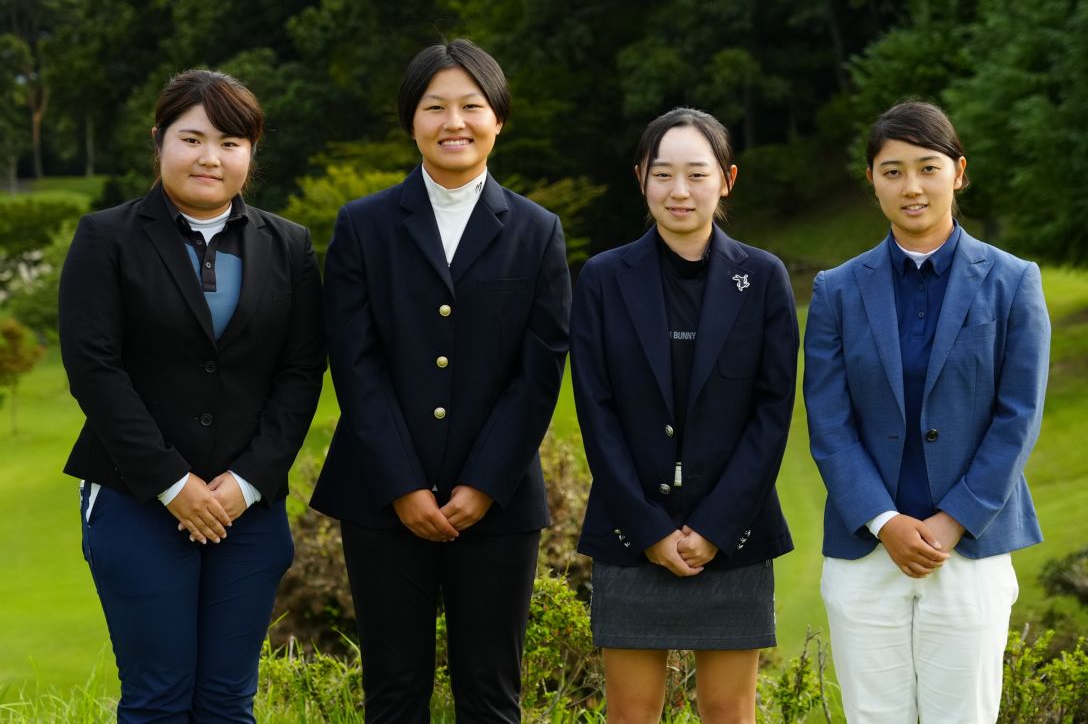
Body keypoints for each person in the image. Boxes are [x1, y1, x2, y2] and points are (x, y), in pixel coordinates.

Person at [309, 38, 571, 723]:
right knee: (394, 694)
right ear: (412, 120)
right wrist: (402, 486)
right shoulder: (362, 226)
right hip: (381, 499)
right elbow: (354, 363)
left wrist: (484, 485)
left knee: (491, 696)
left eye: (471, 106)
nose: (454, 122)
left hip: (499, 502)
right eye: (436, 107)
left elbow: (539, 370)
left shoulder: (538, 232)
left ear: (498, 119)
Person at [58, 69, 325, 723]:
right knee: (158, 701)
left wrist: (250, 481)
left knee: (228, 702)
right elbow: (95, 370)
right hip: (134, 499)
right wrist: (174, 483)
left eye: (231, 142)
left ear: (251, 154)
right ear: (159, 141)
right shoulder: (107, 238)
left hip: (249, 512)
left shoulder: (288, 245)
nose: (211, 157)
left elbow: (301, 372)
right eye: (193, 138)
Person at [804, 101, 1050, 723]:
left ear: (958, 172)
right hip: (866, 553)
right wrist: (885, 521)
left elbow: (1018, 417)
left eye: (927, 167)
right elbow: (829, 423)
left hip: (971, 549)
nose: (911, 187)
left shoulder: (1014, 281)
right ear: (872, 181)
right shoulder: (836, 289)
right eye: (892, 171)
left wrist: (953, 520)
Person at [571, 107, 797, 724]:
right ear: (640, 177)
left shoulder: (765, 277)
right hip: (630, 531)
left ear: (726, 179)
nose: (678, 190)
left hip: (734, 533)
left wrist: (716, 527)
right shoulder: (603, 279)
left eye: (696, 174)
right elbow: (597, 413)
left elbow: (772, 415)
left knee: (730, 712)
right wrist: (648, 528)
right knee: (631, 713)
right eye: (663, 173)